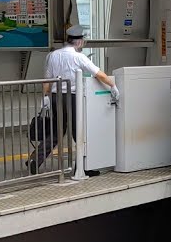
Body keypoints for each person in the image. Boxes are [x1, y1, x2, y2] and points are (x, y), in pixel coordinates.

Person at [31, 26, 117, 174]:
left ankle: (35, 159)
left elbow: (47, 78)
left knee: (57, 132)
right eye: (83, 41)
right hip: (72, 98)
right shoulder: (78, 57)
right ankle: (82, 168)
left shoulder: (53, 55)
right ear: (79, 42)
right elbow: (98, 74)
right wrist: (113, 85)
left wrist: (45, 96)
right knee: (80, 132)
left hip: (55, 98)